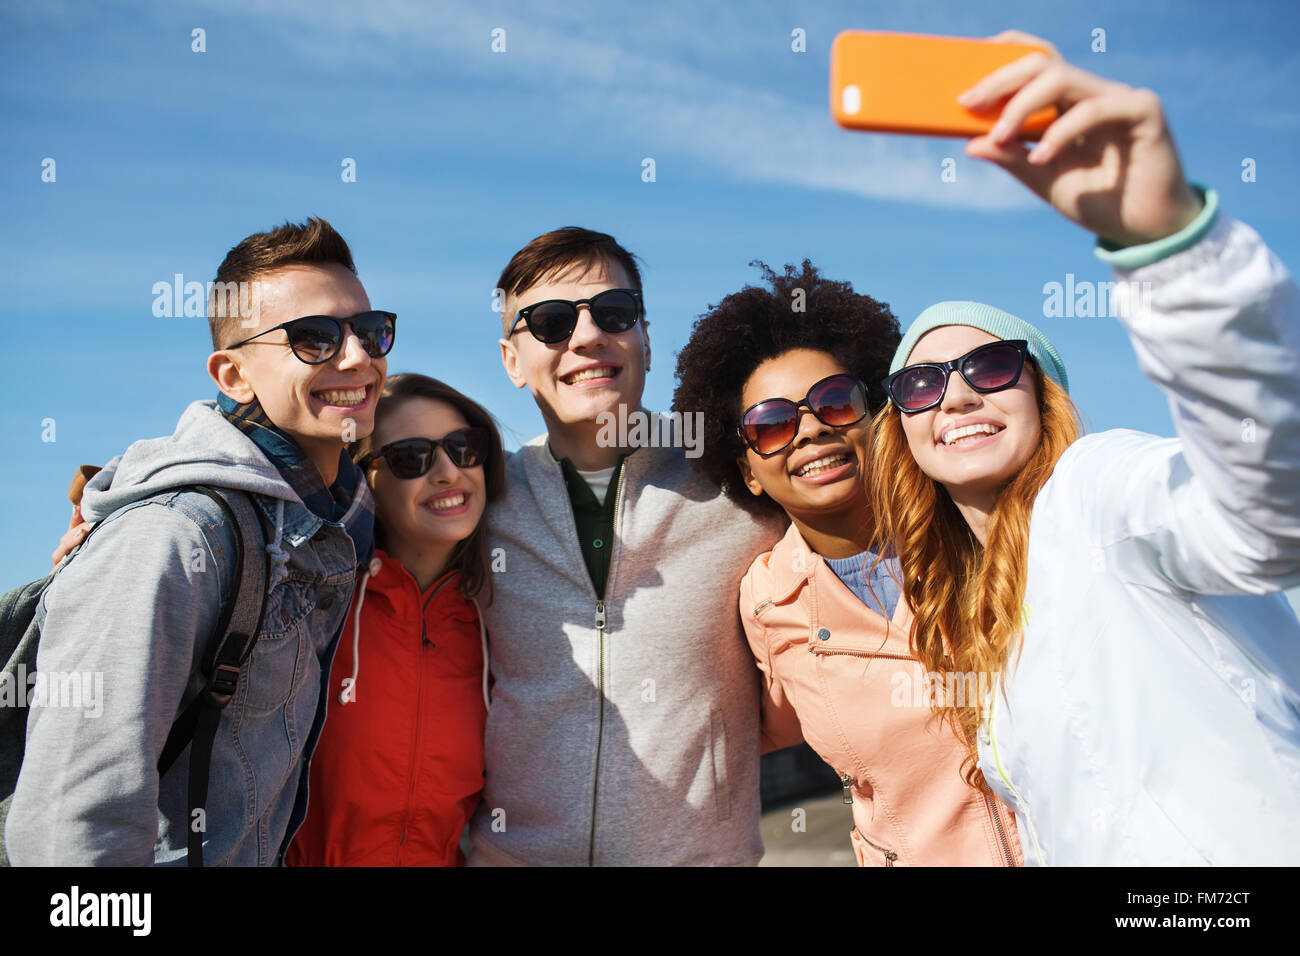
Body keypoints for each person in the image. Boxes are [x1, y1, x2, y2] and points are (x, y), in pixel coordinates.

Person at [867, 49, 1300, 864]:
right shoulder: (970, 616)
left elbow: (1267, 516)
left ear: (1044, 394)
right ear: (902, 425)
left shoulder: (1097, 492)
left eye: (990, 368)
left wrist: (1172, 247)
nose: (956, 397)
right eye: (922, 382)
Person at [6, 217, 390, 865]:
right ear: (233, 377)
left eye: (371, 331)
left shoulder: (337, 516)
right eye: (314, 339)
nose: (357, 357)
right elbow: (69, 828)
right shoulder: (172, 536)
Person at [672, 260, 1021, 866]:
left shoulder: (991, 526)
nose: (807, 430)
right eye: (772, 424)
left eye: (833, 402)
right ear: (748, 473)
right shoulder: (765, 605)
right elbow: (738, 728)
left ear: (878, 417)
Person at [469, 227, 786, 866]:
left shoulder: (744, 479)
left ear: (644, 337)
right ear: (511, 360)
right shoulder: (476, 505)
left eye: (612, 313)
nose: (586, 337)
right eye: (551, 322)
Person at [286, 374, 503, 866]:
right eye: (410, 457)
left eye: (464, 448)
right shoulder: (314, 601)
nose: (448, 472)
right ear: (364, 480)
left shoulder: (500, 621)